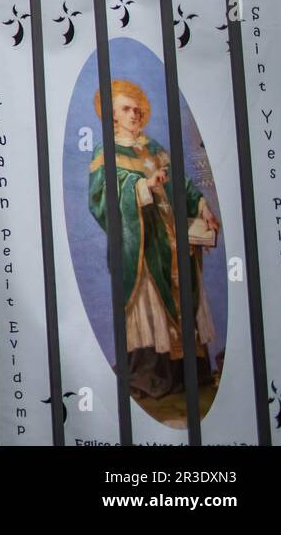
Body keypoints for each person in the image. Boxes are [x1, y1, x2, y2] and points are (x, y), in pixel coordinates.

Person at [89, 78, 221, 403]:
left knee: (184, 295)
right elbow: (100, 198)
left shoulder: (154, 147)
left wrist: (201, 206)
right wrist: (141, 186)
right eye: (125, 109)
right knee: (150, 305)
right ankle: (152, 373)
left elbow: (181, 182)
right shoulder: (106, 152)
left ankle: (187, 372)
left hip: (175, 239)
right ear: (112, 115)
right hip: (144, 246)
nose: (133, 114)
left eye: (137, 109)